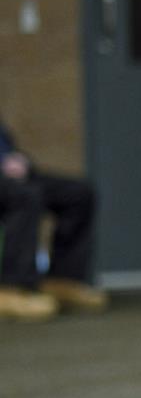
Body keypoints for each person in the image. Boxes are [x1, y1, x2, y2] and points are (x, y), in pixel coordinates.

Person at [0, 118, 105, 320]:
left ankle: (62, 279)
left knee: (79, 194)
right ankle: (11, 288)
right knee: (24, 196)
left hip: (9, 175)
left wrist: (19, 160)